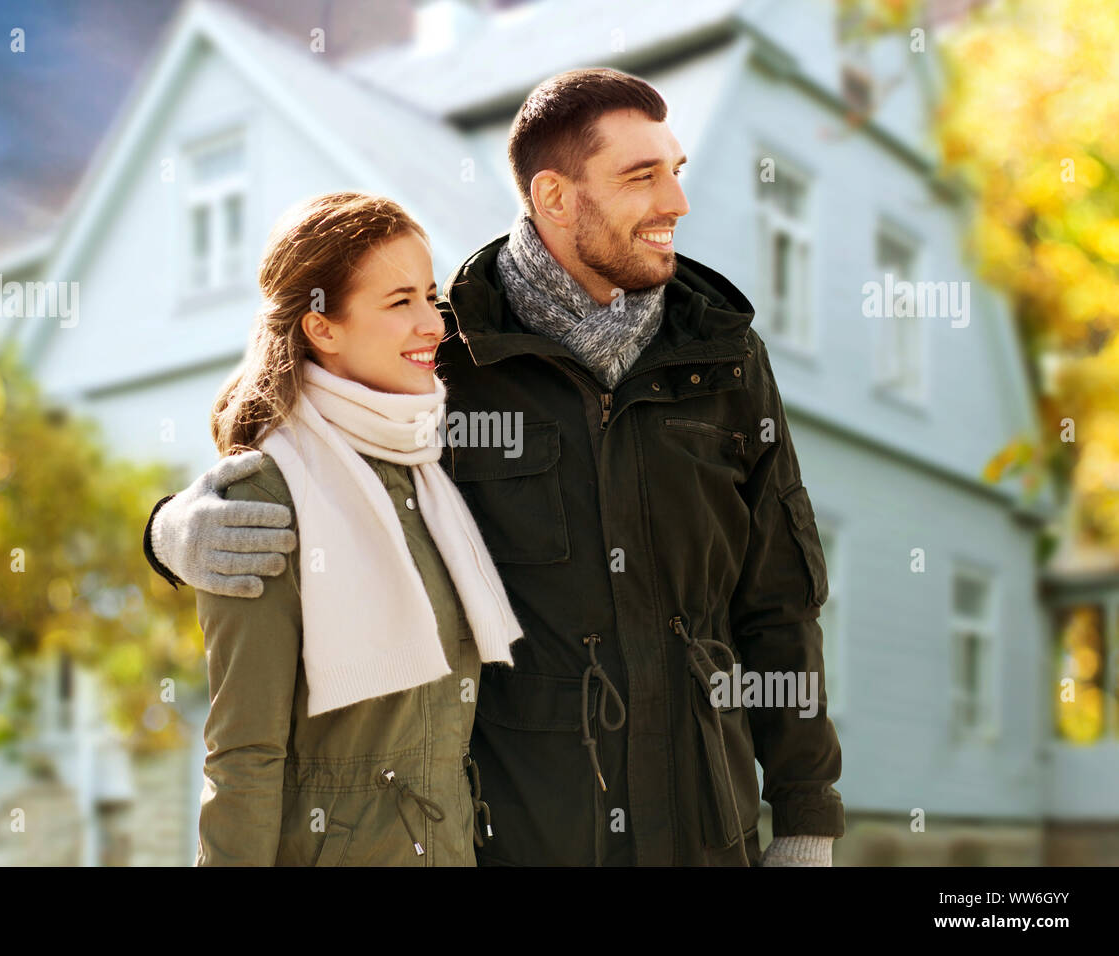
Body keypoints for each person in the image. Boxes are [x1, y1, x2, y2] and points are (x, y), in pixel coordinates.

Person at [152, 68, 844, 866]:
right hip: (517, 837)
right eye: (642, 177)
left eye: (675, 171)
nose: (676, 203)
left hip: (706, 833)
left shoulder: (725, 357)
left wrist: (805, 817)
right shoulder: (449, 356)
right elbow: (309, 445)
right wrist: (170, 530)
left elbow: (780, 604)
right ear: (554, 196)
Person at [190, 191, 523, 866]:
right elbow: (244, 754)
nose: (432, 324)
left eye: (431, 296)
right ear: (323, 328)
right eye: (400, 302)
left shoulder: (429, 471)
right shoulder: (264, 498)